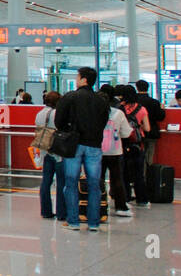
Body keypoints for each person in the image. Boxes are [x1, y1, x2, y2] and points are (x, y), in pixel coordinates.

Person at [55, 67, 109, 232]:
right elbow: (104, 121)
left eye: (78, 77)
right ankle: (93, 222)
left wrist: (69, 130)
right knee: (94, 184)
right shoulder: (101, 100)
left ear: (84, 79)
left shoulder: (70, 97)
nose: (76, 79)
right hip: (94, 145)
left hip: (74, 144)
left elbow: (59, 120)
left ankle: (73, 221)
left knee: (71, 183)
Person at [96, 86, 133, 219]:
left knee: (97, 178)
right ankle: (121, 207)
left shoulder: (92, 113)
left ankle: (99, 205)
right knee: (117, 179)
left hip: (96, 151)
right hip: (115, 151)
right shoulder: (118, 113)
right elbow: (126, 132)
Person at [119, 85, 152, 207]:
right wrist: (138, 127)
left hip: (123, 143)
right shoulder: (142, 109)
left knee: (124, 172)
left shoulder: (120, 109)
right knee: (139, 173)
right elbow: (147, 128)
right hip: (137, 144)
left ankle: (126, 196)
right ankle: (142, 198)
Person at [133, 80, 165, 182]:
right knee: (149, 156)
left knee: (137, 156)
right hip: (151, 133)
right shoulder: (154, 102)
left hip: (136, 134)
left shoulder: (133, 103)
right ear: (148, 88)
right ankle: (148, 178)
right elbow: (160, 117)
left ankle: (137, 178)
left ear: (137, 88)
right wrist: (162, 109)